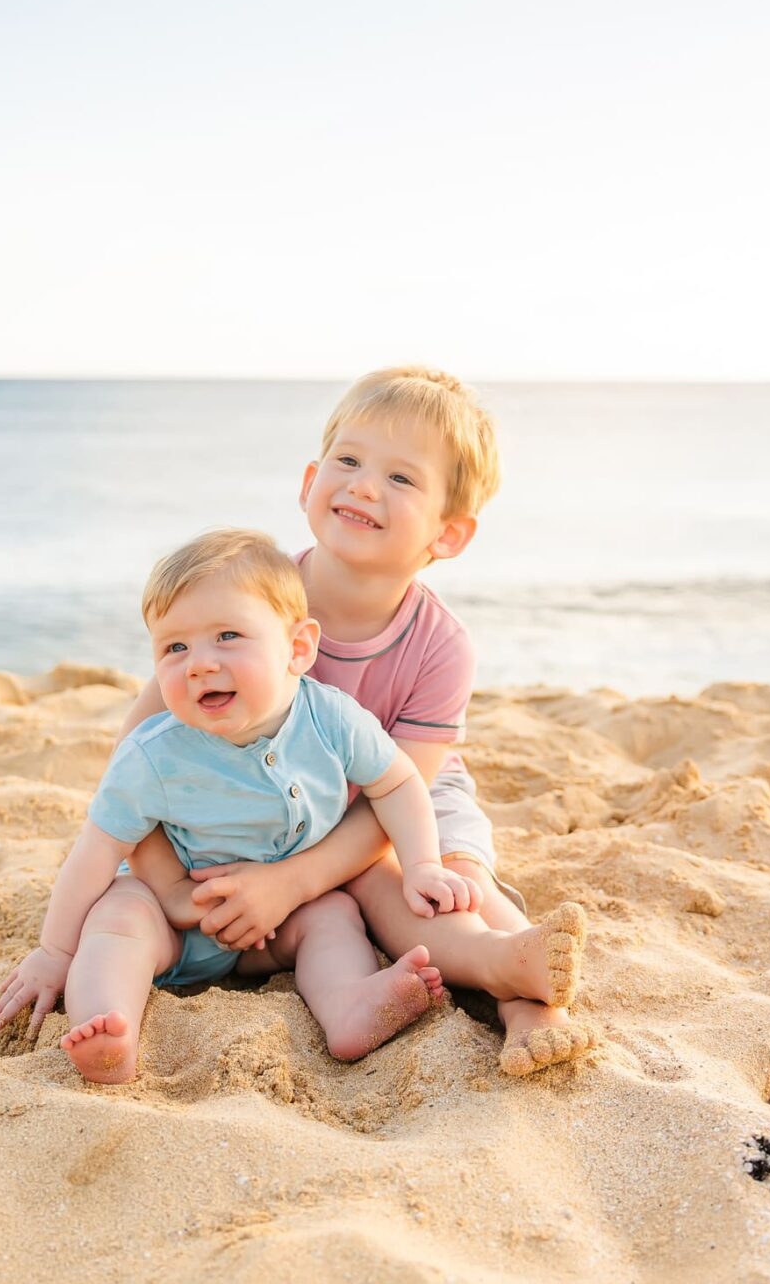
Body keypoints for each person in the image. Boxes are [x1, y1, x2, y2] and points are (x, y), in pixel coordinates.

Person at [124, 367, 599, 1076]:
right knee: (382, 892)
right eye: (348, 461)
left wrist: (292, 884)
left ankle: (527, 996)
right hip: (273, 795)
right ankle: (506, 972)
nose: (364, 485)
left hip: (400, 796)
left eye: (402, 479)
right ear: (311, 479)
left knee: (445, 882)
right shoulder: (245, 599)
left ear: (450, 534)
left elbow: (399, 795)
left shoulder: (442, 646)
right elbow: (139, 742)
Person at [0, 529, 481, 1084]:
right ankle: (108, 1025)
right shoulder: (154, 752)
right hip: (172, 920)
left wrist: (421, 865)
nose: (198, 663)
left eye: (227, 636)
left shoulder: (333, 720)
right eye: (175, 648)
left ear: (297, 648)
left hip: (276, 921)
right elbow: (95, 853)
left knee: (333, 918)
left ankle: (347, 1009)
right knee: (117, 920)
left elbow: (396, 784)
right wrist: (55, 951)